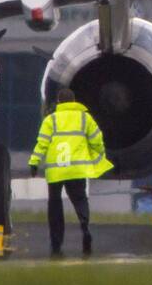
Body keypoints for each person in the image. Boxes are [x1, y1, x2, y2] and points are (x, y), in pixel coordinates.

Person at [29, 88, 114, 257]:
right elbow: (97, 139)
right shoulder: (85, 118)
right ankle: (84, 225)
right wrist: (99, 155)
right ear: (74, 101)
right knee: (80, 200)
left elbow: (42, 144)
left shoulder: (50, 120)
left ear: (59, 102)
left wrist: (34, 162)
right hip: (77, 169)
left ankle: (56, 245)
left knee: (55, 206)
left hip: (56, 171)